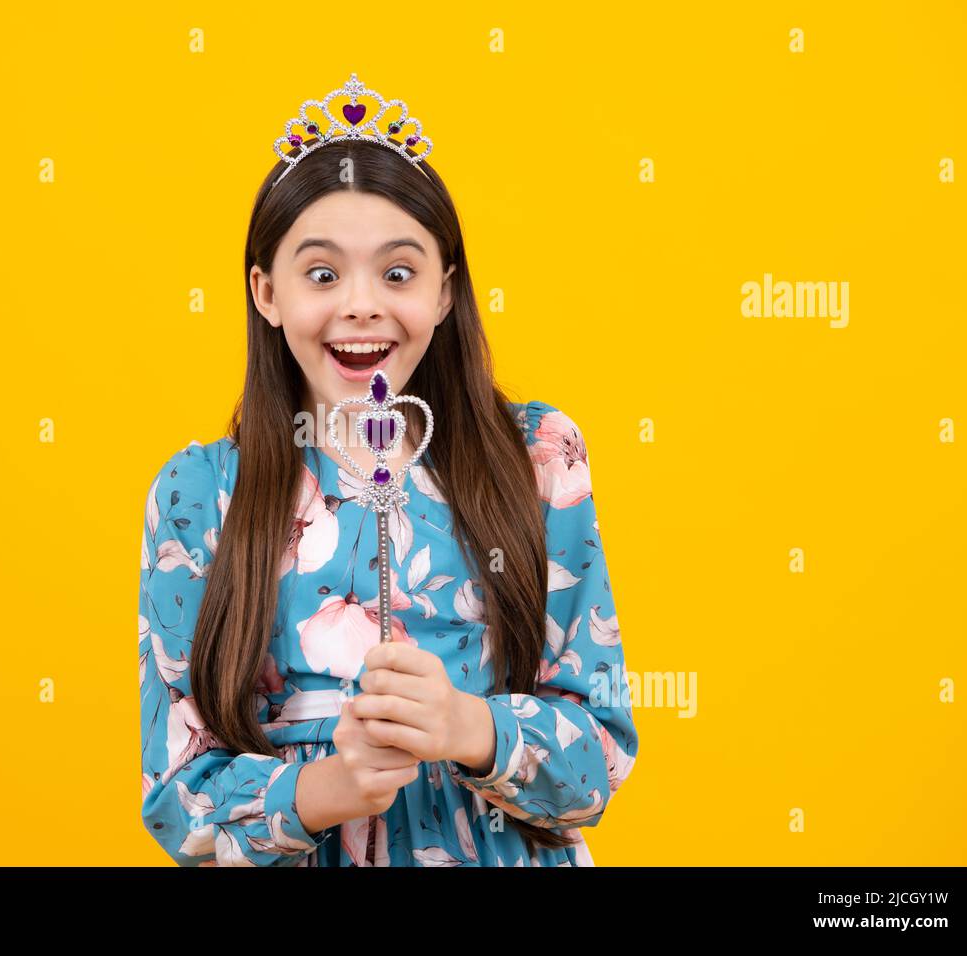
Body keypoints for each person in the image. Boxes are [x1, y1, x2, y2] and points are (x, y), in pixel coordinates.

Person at [138, 73, 637, 866]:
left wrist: (466, 726)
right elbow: (177, 804)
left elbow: (598, 763)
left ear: (445, 292)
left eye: (398, 273)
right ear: (266, 293)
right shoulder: (200, 492)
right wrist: (332, 787)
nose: (362, 304)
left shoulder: (537, 457)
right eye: (323, 273)